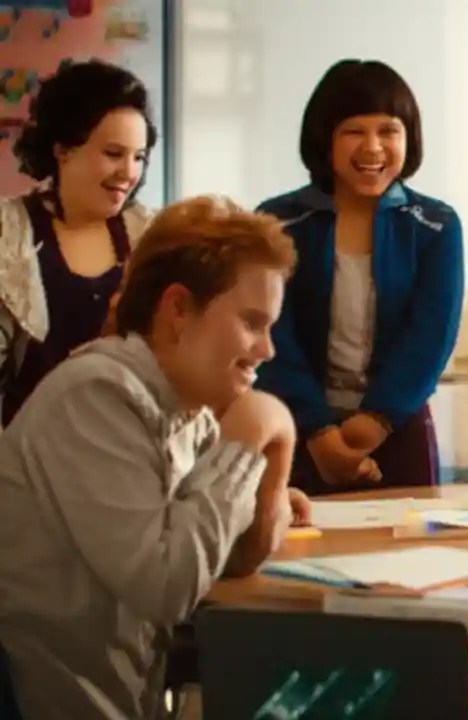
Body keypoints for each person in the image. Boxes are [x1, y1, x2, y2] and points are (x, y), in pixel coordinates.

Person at [0, 196, 300, 719]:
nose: (268, 349)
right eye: (253, 323)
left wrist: (271, 460)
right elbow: (167, 584)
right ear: (178, 309)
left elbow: (230, 557)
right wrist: (250, 437)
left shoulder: (189, 413)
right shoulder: (95, 395)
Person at [256, 59, 464, 495]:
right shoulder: (278, 220)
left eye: (388, 131)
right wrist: (319, 433)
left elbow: (431, 336)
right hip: (295, 428)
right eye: (354, 131)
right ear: (324, 139)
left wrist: (372, 425)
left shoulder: (436, 224)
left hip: (398, 428)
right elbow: (271, 333)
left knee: (409, 557)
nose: (373, 148)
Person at [0, 59, 155, 427]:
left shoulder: (151, 236)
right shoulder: (9, 238)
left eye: (139, 158)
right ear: (62, 149)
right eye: (113, 154)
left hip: (129, 451)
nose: (129, 173)